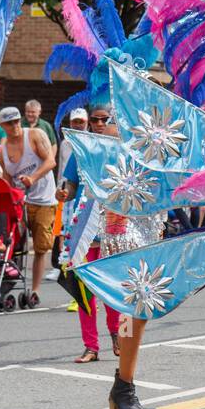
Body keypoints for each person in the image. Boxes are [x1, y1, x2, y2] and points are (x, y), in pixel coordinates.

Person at [58, 106, 125, 364]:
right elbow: (71, 187)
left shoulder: (121, 152)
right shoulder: (80, 151)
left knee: (110, 289)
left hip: (113, 228)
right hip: (84, 231)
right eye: (94, 120)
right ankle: (91, 346)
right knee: (84, 291)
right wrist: (64, 194)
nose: (98, 124)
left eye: (103, 119)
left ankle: (116, 333)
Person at [0, 106, 56, 301]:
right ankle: (8, 279)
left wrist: (33, 177)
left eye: (16, 121)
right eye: (9, 123)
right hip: (20, 202)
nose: (14, 126)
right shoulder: (3, 149)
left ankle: (35, 289)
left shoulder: (35, 135)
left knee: (40, 246)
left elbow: (50, 162)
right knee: (13, 242)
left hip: (44, 199)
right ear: (2, 125)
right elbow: (6, 178)